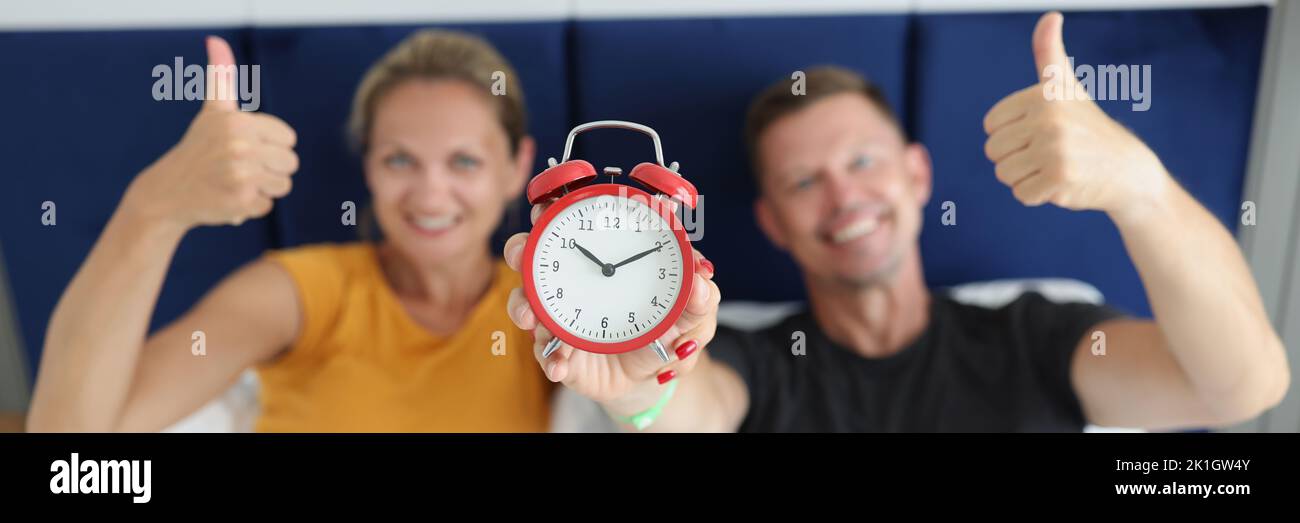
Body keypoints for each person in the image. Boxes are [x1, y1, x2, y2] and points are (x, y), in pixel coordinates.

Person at [503, 12, 1289, 432]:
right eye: (805, 180)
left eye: (864, 163)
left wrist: (1139, 188)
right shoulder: (757, 360)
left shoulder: (1037, 337)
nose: (845, 197)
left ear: (918, 176)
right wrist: (642, 384)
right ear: (773, 222)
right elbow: (690, 410)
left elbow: (1241, 387)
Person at [29, 30, 596, 432]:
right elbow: (70, 449)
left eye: (464, 162)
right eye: (400, 160)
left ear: (517, 168)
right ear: (369, 164)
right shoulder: (302, 293)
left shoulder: (543, 311)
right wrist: (152, 210)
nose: (428, 194)